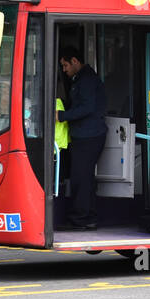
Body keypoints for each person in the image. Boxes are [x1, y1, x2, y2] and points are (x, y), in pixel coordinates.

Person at [56, 45, 107, 230]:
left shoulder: (86, 80)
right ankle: (86, 216)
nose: (64, 70)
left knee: (81, 178)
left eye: (65, 66)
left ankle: (82, 217)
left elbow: (86, 108)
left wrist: (61, 116)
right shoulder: (81, 78)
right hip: (85, 135)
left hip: (89, 136)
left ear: (75, 62)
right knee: (83, 177)